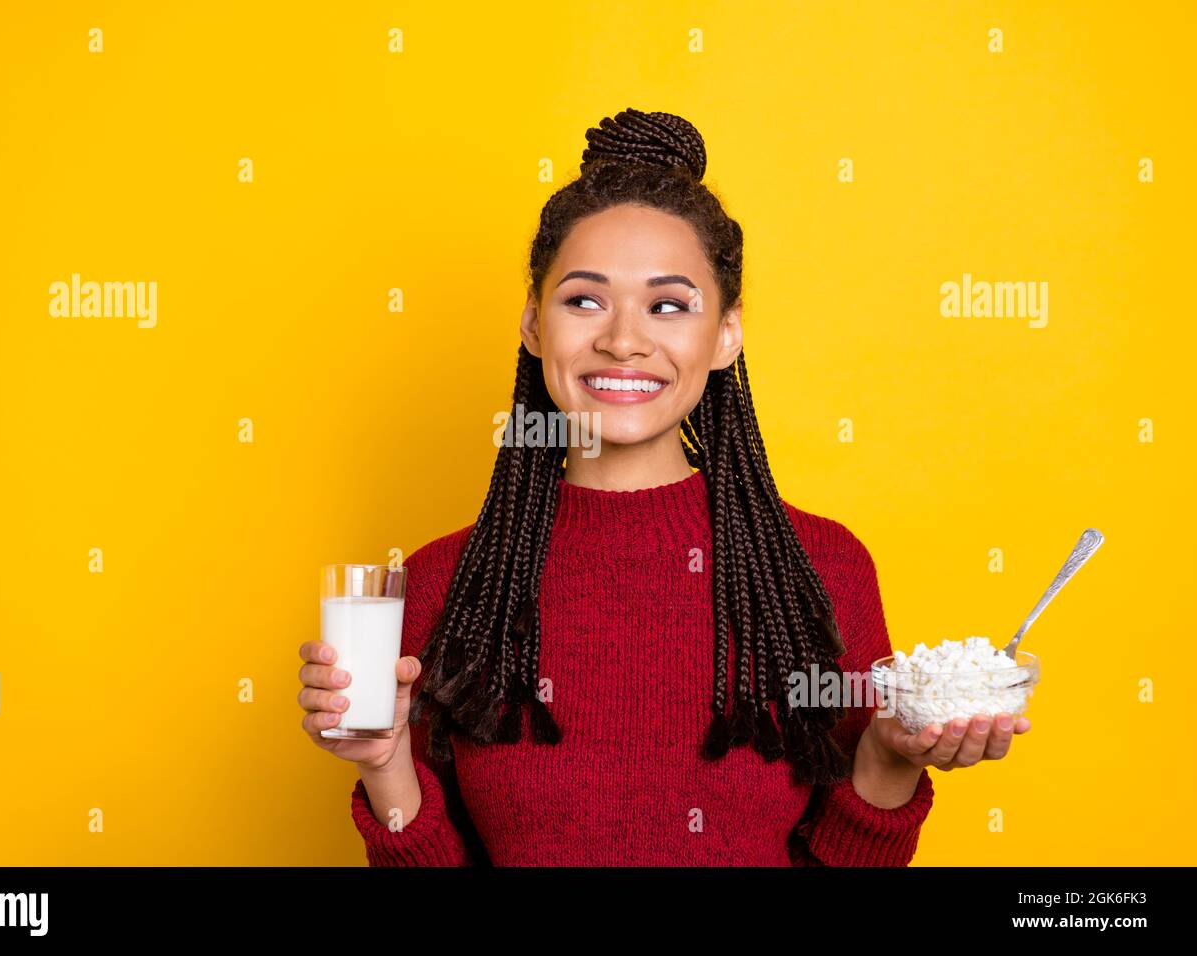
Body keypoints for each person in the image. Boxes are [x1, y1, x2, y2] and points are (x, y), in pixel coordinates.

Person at [298, 107, 1032, 866]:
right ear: (531, 324)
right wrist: (383, 763)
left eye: (669, 305)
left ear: (725, 335)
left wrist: (891, 756)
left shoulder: (820, 569)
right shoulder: (445, 584)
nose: (623, 339)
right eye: (584, 300)